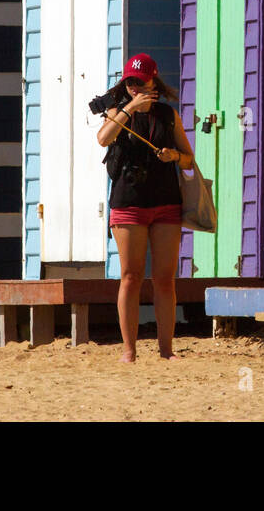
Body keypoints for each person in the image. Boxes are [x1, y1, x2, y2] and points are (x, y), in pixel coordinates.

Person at [96, 53, 195, 363]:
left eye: (141, 82)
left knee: (164, 278)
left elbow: (189, 159)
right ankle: (129, 351)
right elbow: (102, 139)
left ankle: (166, 350)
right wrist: (128, 110)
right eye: (131, 83)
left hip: (165, 201)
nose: (136, 87)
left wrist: (174, 157)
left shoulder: (168, 115)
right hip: (128, 202)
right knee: (130, 276)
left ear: (154, 82)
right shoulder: (116, 111)